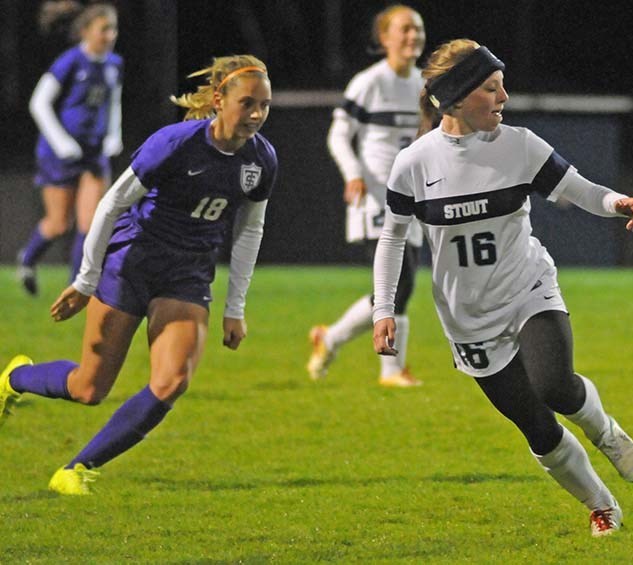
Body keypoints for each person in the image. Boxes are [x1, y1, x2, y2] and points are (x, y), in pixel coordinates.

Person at [371, 39, 633, 536]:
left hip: (528, 289)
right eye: (491, 88)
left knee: (555, 386)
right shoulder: (414, 163)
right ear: (454, 99)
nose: (503, 98)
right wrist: (384, 309)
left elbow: (579, 189)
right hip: (467, 317)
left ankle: (606, 431)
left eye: (503, 86)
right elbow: (392, 237)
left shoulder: (520, 145)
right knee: (538, 429)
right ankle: (602, 505)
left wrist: (616, 203)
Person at [0, 55, 277, 495]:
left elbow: (250, 229)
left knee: (171, 381)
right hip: (133, 263)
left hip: (187, 276)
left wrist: (235, 307)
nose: (257, 115)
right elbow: (110, 205)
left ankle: (75, 469)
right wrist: (86, 281)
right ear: (220, 99)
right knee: (89, 388)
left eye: (264, 105)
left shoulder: (262, 160)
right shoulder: (174, 143)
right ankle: (14, 379)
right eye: (248, 104)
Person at [307, 4, 426, 387]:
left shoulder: (424, 84)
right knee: (399, 281)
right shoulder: (369, 82)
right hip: (377, 192)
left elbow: (427, 138)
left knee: (399, 284)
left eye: (418, 30)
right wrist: (353, 174)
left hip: (411, 195)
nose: (413, 36)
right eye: (405, 29)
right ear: (384, 38)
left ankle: (335, 339)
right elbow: (338, 134)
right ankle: (388, 369)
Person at [17, 2, 123, 296]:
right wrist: (62, 143)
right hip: (58, 156)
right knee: (59, 224)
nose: (110, 35)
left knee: (91, 225)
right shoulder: (70, 62)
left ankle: (76, 288)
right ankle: (27, 260)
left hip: (93, 154)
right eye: (104, 29)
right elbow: (38, 103)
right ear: (86, 32)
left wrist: (114, 134)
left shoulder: (114, 64)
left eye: (113, 29)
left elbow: (113, 102)